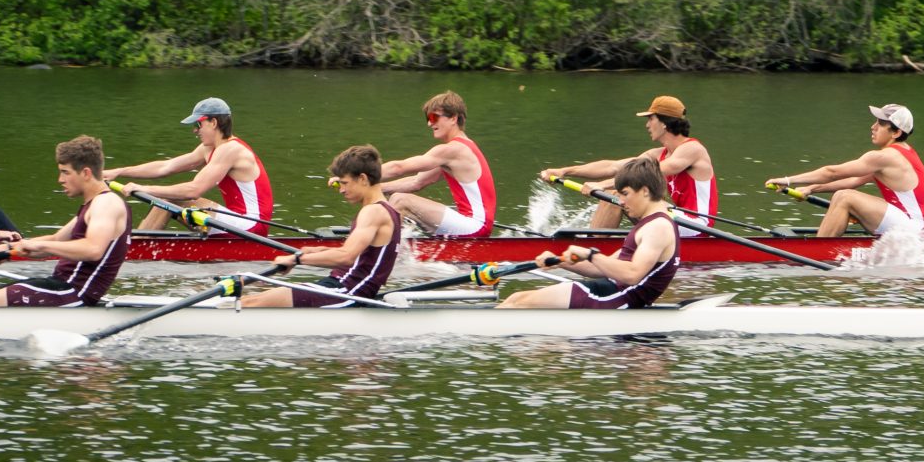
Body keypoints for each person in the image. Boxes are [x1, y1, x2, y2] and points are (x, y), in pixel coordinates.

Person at [0, 136, 130, 307]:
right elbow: (56, 239)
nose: (60, 179)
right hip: (60, 285)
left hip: (74, 293)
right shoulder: (94, 204)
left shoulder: (107, 203)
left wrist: (39, 245)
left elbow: (93, 249)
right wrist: (9, 248)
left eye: (65, 172)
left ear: (86, 173)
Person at [499, 158, 679, 309]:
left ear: (645, 191)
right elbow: (599, 269)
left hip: (617, 298)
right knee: (516, 299)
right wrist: (559, 261)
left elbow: (632, 275)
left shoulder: (658, 227)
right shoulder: (649, 224)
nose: (621, 202)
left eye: (625, 194)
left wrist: (590, 254)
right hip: (611, 293)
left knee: (517, 303)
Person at [244, 146, 400, 308]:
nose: (341, 190)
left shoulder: (373, 212)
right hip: (341, 287)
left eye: (344, 183)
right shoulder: (386, 210)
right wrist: (316, 251)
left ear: (362, 179)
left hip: (347, 292)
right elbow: (362, 257)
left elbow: (346, 256)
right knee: (251, 300)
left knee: (250, 303)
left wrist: (296, 259)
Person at [539, 95, 718, 236]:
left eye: (651, 119)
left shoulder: (693, 149)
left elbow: (646, 174)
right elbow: (613, 167)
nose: (647, 125)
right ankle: (594, 245)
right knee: (619, 194)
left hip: (696, 226)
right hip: (676, 218)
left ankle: (592, 249)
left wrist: (602, 185)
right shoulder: (657, 154)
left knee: (618, 194)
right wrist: (564, 171)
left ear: (664, 123)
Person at [105, 97, 274, 235]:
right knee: (167, 199)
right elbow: (165, 167)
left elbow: (193, 190)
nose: (195, 130)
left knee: (170, 199)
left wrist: (143, 188)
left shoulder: (231, 149)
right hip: (235, 221)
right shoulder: (209, 148)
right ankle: (138, 244)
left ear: (213, 123)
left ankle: (137, 249)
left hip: (252, 227)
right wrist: (120, 171)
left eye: (198, 125)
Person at [768, 104, 924, 238]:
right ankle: (825, 243)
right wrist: (811, 189)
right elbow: (854, 180)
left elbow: (832, 172)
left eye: (880, 123)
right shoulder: (901, 153)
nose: (873, 127)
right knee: (845, 197)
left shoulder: (885, 157)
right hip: (918, 226)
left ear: (896, 132)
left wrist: (788, 180)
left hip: (916, 229)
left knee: (844, 197)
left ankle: (818, 250)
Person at [382, 90, 497, 237]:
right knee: (396, 201)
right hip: (472, 225)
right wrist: (374, 188)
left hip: (476, 227)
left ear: (453, 118)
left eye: (434, 117)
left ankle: (384, 247)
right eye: (428, 118)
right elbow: (416, 182)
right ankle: (395, 243)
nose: (430, 123)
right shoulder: (457, 152)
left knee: (399, 200)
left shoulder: (454, 150)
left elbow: (398, 168)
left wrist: (361, 174)